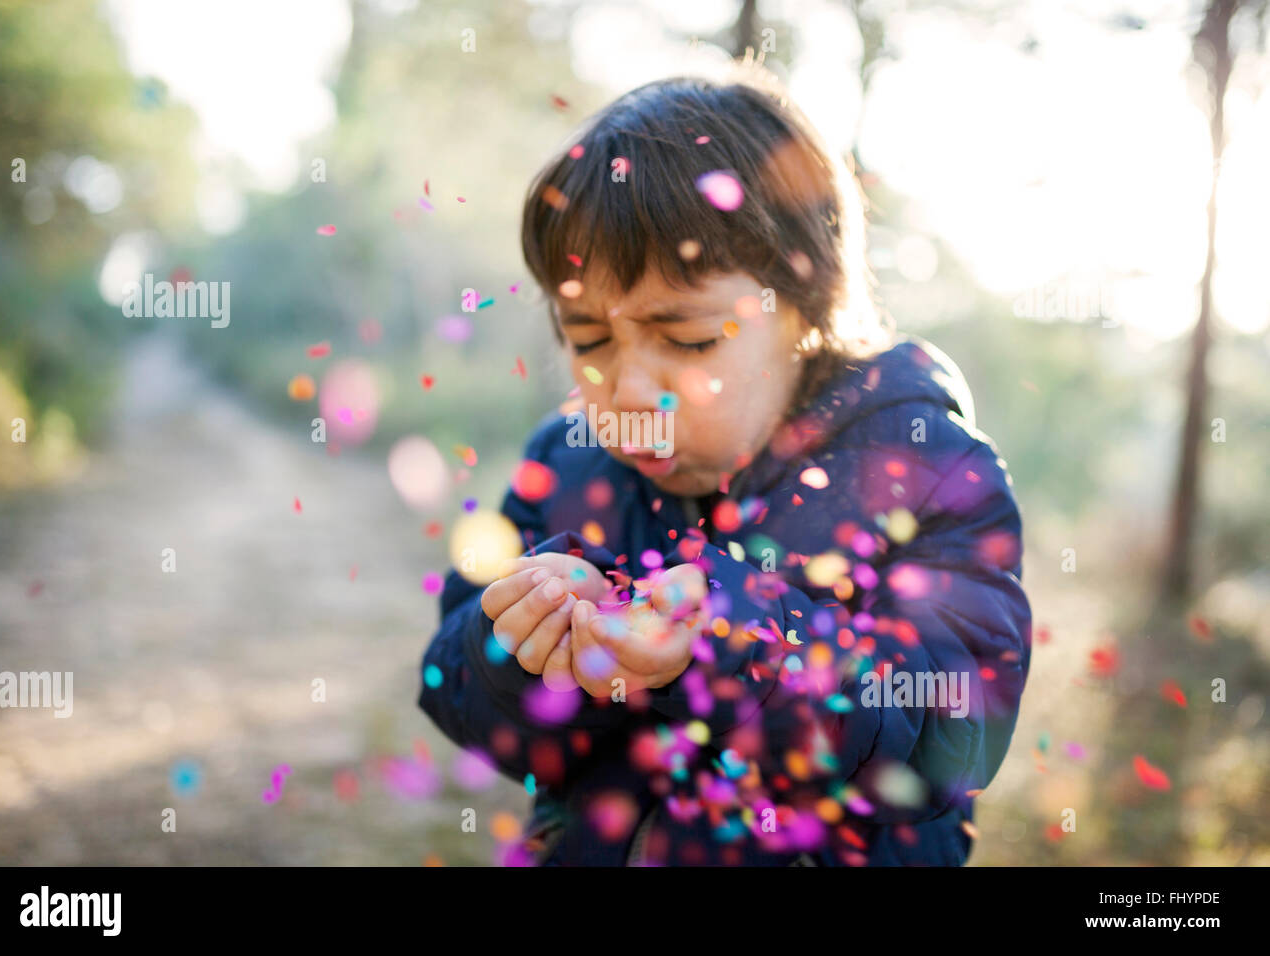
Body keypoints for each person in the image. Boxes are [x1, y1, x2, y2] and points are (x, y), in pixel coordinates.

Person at [419, 64, 1031, 866]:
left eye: (689, 339)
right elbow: (453, 688)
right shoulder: (565, 466)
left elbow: (953, 733)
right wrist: (522, 648)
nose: (630, 388)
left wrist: (740, 643)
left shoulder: (924, 472)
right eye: (590, 340)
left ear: (804, 311)